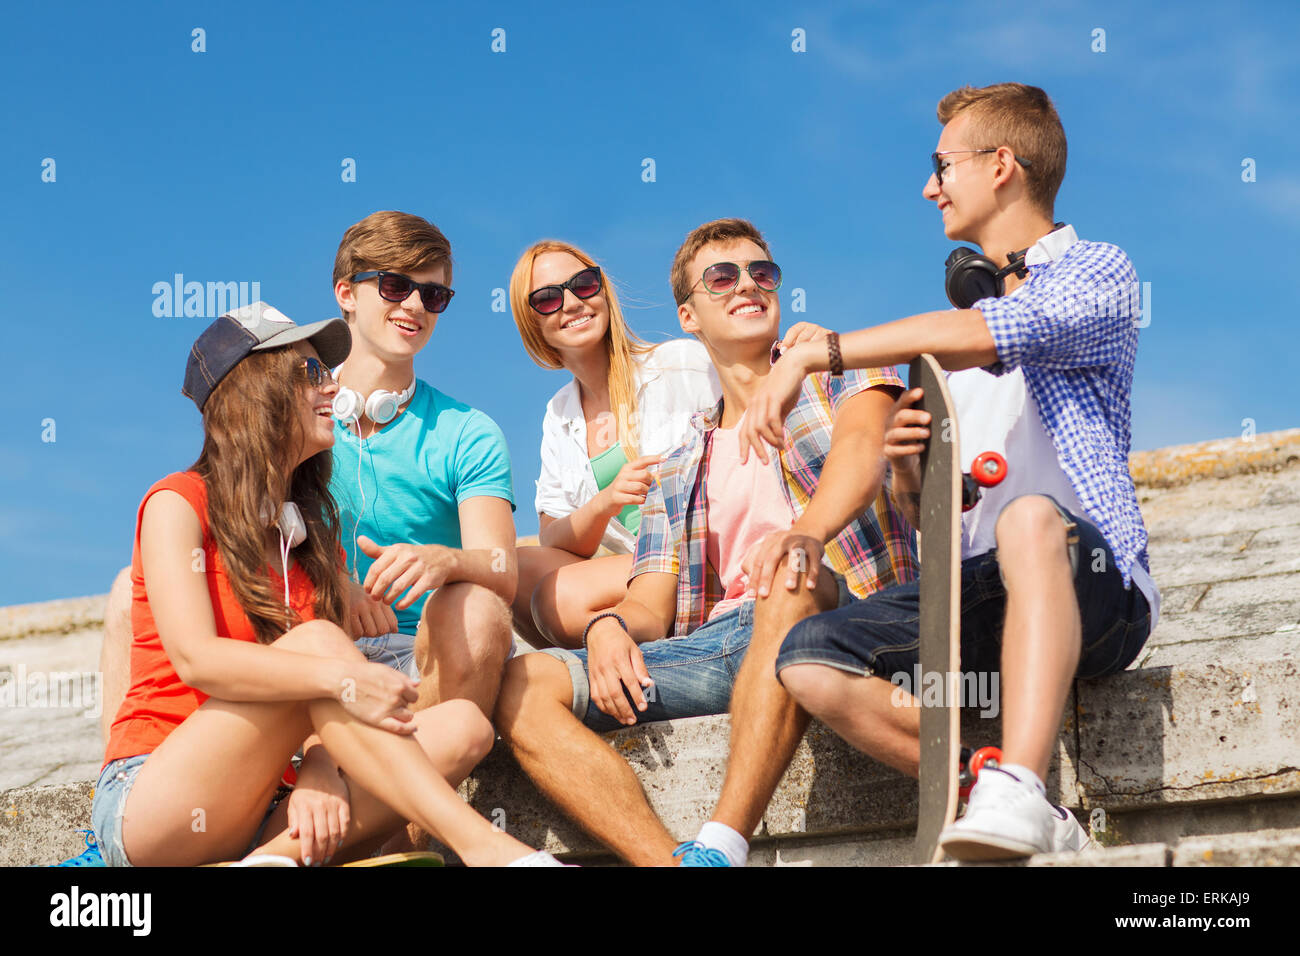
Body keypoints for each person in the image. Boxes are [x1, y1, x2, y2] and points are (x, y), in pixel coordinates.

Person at [743, 83, 1158, 860]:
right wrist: (911, 475)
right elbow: (942, 526)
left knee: (1031, 518)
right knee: (807, 659)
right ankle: (995, 789)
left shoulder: (1100, 271)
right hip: (985, 592)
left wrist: (816, 350)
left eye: (942, 166)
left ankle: (1025, 790)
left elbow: (1006, 329)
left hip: (1095, 586)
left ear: (1002, 165)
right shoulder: (952, 351)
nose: (928, 186)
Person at [493, 218, 917, 866]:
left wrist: (803, 535)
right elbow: (651, 605)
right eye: (723, 277)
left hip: (841, 619)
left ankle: (722, 840)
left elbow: (861, 455)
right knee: (522, 683)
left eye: (761, 273)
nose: (747, 286)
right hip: (718, 642)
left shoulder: (839, 373)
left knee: (790, 573)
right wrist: (609, 627)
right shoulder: (683, 455)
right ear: (689, 314)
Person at [92, 303, 558, 867]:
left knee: (463, 728)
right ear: (255, 390)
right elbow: (198, 660)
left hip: (266, 803)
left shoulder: (311, 539)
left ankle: (268, 859)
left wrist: (318, 767)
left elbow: (316, 701)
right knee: (320, 646)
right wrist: (345, 677)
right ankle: (486, 848)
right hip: (160, 797)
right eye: (311, 373)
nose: (331, 387)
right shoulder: (177, 503)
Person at [99, 211, 519, 741]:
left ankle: (409, 807)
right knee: (126, 593)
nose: (415, 306)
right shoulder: (298, 416)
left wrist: (445, 560)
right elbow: (234, 526)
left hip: (418, 651)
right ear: (346, 292)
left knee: (478, 608)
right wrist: (332, 582)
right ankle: (123, 787)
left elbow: (502, 570)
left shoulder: (469, 431)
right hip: (306, 639)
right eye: (395, 286)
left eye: (434, 296)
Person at [507, 239, 720, 648]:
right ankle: (603, 657)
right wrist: (606, 501)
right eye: (548, 298)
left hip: (697, 560)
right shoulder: (559, 412)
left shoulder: (682, 362)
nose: (571, 303)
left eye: (583, 284)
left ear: (602, 291)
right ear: (531, 322)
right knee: (511, 567)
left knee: (562, 597)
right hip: (631, 571)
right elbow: (553, 535)